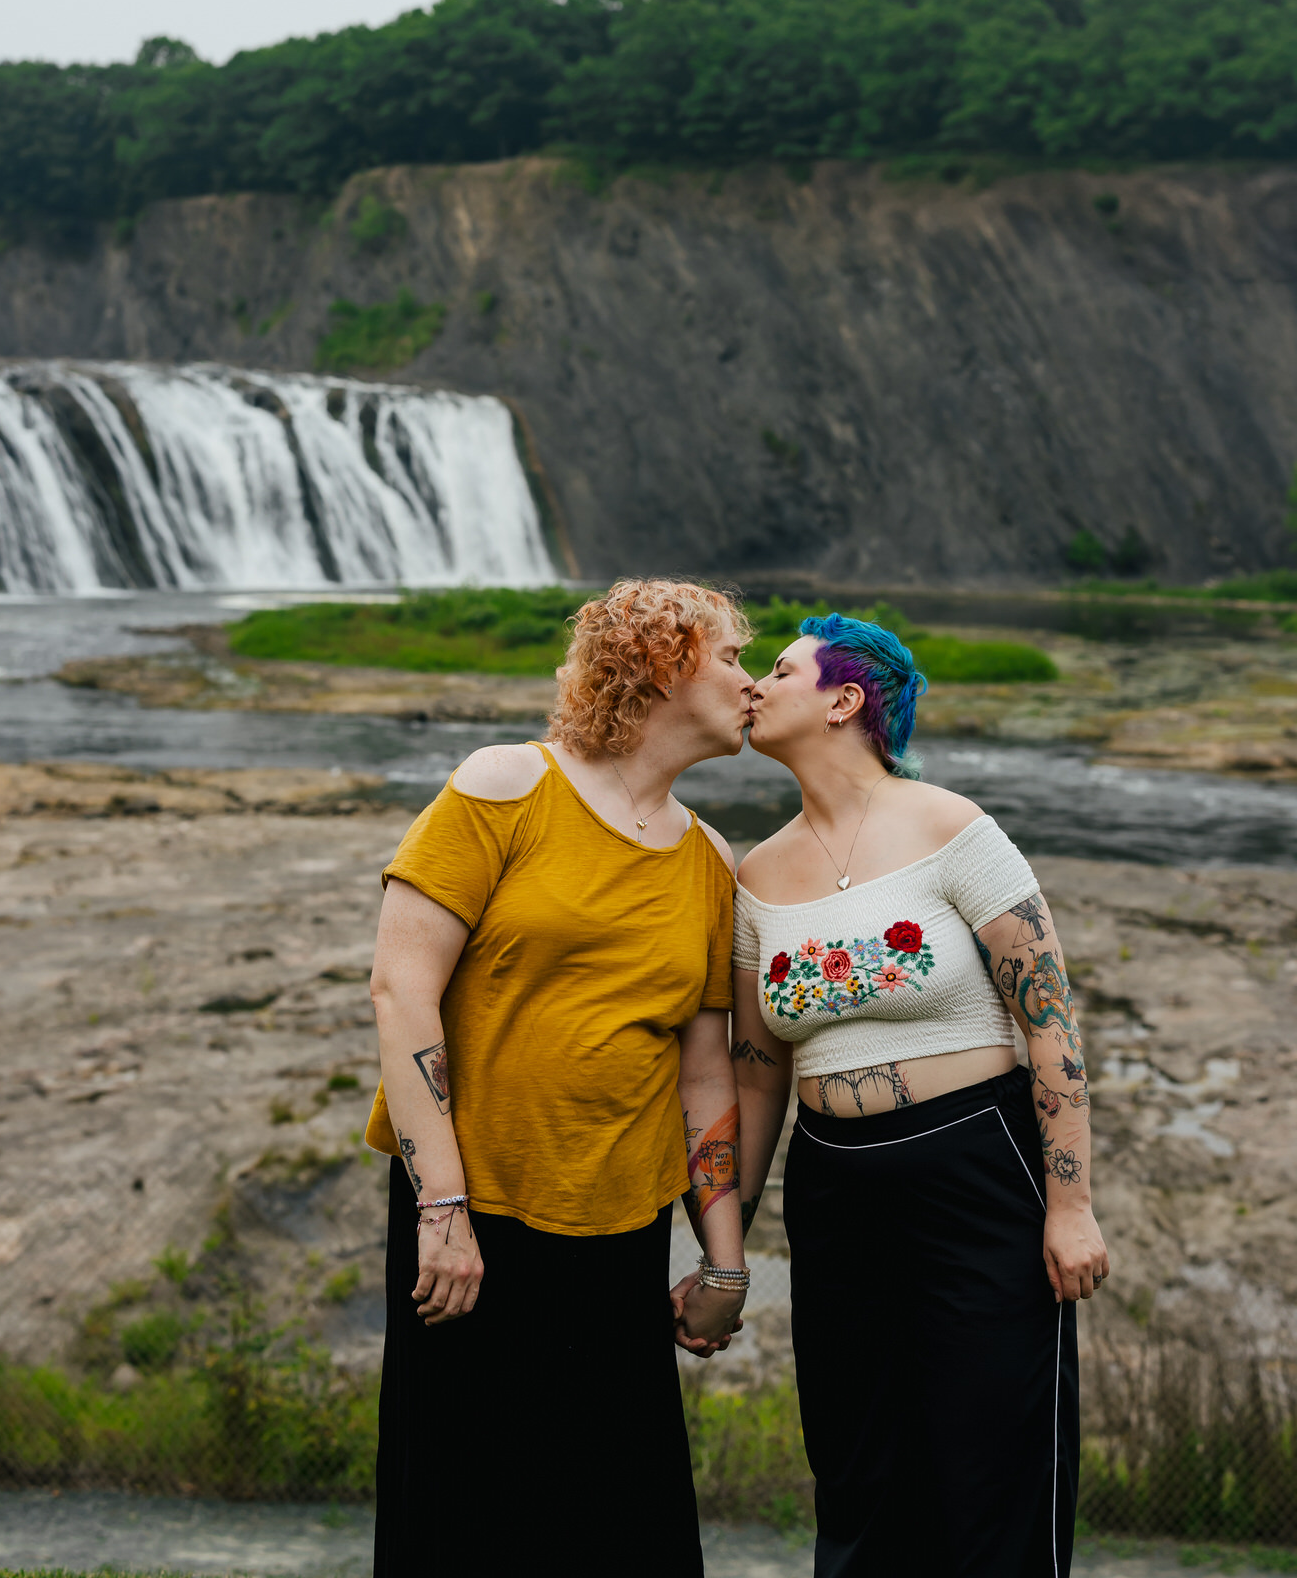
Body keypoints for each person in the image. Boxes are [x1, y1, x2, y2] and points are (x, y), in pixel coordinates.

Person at [365, 579, 755, 1577]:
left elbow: (705, 1074)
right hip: (477, 1216)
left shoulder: (711, 860)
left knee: (621, 1520)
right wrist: (440, 1209)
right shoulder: (505, 785)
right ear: (662, 663)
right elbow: (399, 987)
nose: (748, 680)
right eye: (727, 658)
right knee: (463, 1513)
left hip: (623, 1233)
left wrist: (721, 1261)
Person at [734, 613, 1108, 1578]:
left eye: (779, 671)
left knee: (989, 1456)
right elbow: (758, 1069)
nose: (754, 686)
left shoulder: (954, 829)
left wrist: (1070, 1206)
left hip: (976, 1164)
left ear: (844, 700)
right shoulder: (757, 874)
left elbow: (1050, 1022)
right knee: (858, 1457)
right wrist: (724, 1241)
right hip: (833, 1186)